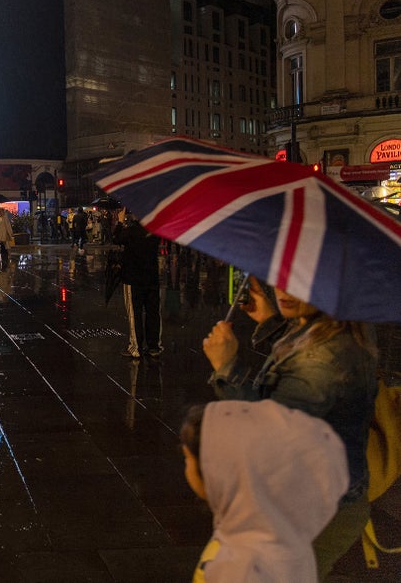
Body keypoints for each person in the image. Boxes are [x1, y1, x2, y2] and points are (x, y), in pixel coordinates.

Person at [202, 277, 379, 578]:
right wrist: (270, 320)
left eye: (299, 282)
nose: (285, 290)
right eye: (282, 278)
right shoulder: (327, 331)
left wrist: (227, 367)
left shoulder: (323, 358)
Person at [181, 400, 348, 583]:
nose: (185, 467)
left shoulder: (241, 569)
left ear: (226, 473)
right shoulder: (284, 538)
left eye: (188, 458)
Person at [112, 210, 162, 359]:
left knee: (135, 315)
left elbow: (116, 239)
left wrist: (120, 222)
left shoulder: (131, 231)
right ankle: (154, 346)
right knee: (153, 313)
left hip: (133, 279)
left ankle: (135, 347)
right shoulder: (154, 231)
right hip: (152, 278)